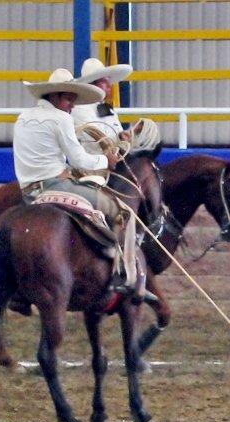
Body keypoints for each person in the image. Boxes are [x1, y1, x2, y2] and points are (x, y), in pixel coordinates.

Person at [14, 68, 139, 295]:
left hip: (27, 191)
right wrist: (106, 160)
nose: (72, 105)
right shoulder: (61, 119)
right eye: (69, 99)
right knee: (124, 213)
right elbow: (79, 159)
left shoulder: (23, 117)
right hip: (54, 186)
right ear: (55, 96)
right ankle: (125, 275)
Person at [72, 57, 134, 155]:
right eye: (104, 81)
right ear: (92, 84)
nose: (109, 85)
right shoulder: (80, 108)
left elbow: (118, 136)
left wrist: (123, 137)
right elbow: (94, 141)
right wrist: (120, 138)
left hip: (113, 158)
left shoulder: (108, 109)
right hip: (93, 162)